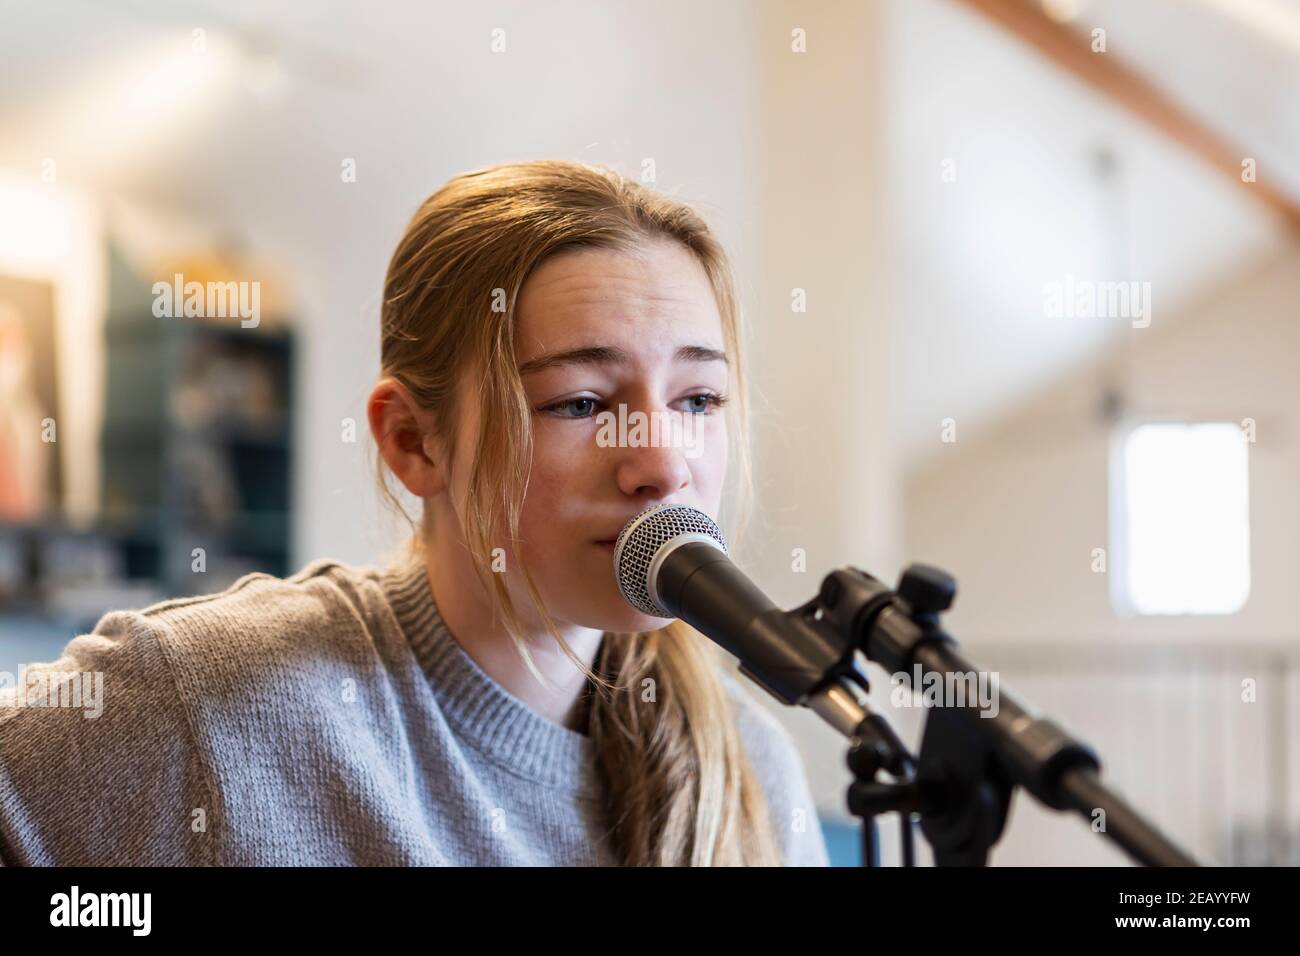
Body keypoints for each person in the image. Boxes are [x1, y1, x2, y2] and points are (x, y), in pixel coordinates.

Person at [0, 160, 830, 867]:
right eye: (580, 402)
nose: (663, 461)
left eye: (699, 398)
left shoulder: (757, 772)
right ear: (413, 442)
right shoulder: (214, 700)